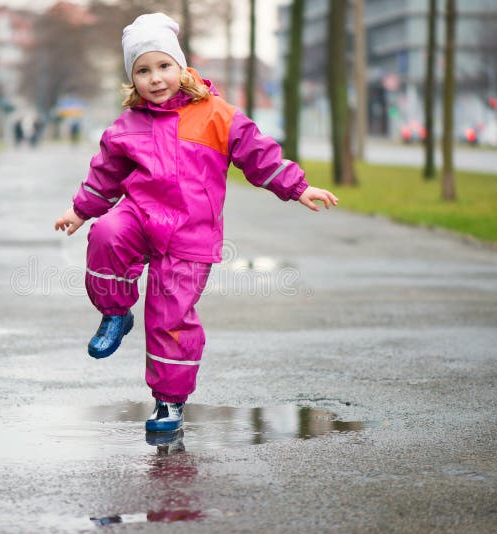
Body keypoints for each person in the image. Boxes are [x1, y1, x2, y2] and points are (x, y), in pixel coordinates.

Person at [54, 13, 338, 434]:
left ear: (182, 67)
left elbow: (259, 154)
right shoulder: (127, 127)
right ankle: (115, 312)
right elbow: (105, 175)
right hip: (139, 216)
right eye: (143, 71)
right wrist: (80, 211)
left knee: (170, 318)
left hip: (190, 233)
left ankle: (168, 403)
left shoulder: (217, 115)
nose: (155, 78)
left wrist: (297, 187)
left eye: (163, 66)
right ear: (133, 79)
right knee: (107, 233)